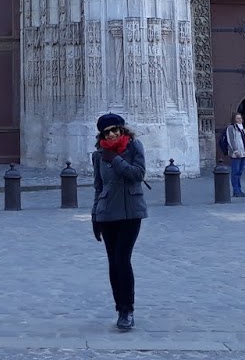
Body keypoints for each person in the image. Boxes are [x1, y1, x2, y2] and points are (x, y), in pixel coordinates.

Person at [91, 113, 147, 332]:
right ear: (102, 134)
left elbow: (137, 174)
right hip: (107, 214)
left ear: (123, 130)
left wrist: (115, 158)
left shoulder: (134, 148)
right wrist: (95, 217)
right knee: (113, 262)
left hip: (131, 212)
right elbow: (98, 187)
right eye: (108, 131)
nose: (113, 134)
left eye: (116, 129)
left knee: (123, 259)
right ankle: (119, 308)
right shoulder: (98, 156)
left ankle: (128, 310)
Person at [219, 111, 245, 197]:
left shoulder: (242, 128)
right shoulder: (231, 128)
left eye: (240, 118)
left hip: (243, 153)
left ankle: (239, 189)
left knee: (240, 172)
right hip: (236, 154)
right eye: (237, 118)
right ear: (234, 119)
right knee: (235, 172)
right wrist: (235, 151)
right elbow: (231, 140)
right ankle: (236, 190)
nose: (239, 120)